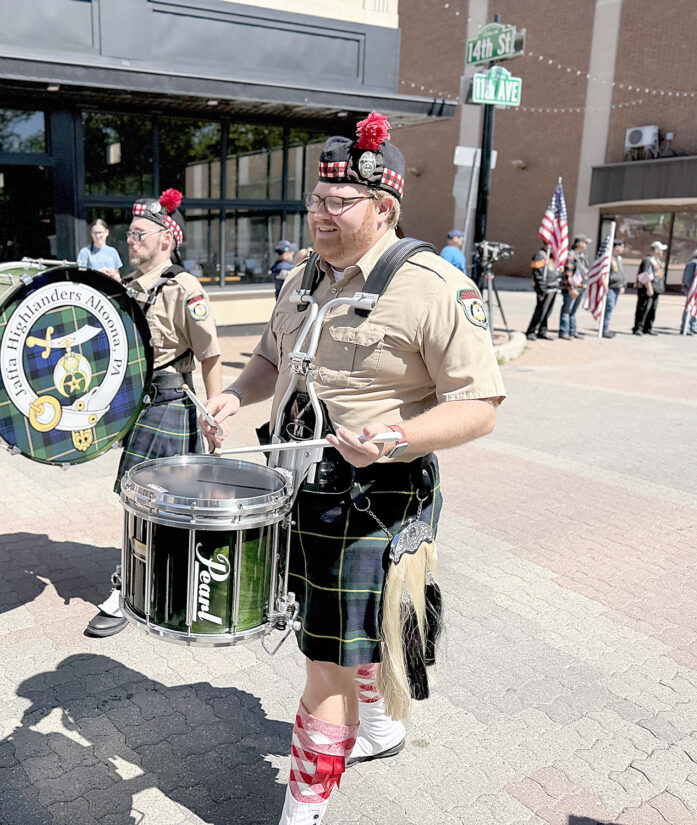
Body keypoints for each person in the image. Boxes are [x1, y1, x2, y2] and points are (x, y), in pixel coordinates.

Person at [200, 112, 505, 825]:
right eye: (315, 201)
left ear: (382, 207)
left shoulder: (431, 284)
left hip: (376, 498)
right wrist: (230, 396)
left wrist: (397, 434)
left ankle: (302, 809)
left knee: (323, 663)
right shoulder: (304, 274)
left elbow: (482, 403)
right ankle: (381, 726)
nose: (319, 215)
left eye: (336, 204)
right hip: (301, 490)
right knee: (337, 629)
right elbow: (273, 357)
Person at [84, 188, 223, 639]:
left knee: (160, 506)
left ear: (167, 238)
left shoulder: (184, 287)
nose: (131, 240)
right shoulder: (126, 287)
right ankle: (151, 584)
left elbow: (210, 354)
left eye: (140, 234)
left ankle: (133, 588)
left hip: (170, 404)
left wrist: (214, 413)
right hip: (138, 407)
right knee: (141, 501)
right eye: (129, 235)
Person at [525, 239, 560, 341]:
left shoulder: (550, 256)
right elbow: (538, 274)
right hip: (545, 289)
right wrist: (542, 289)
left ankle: (542, 331)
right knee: (540, 311)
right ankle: (531, 331)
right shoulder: (540, 256)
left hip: (553, 288)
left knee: (547, 312)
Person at [558, 234, 590, 339]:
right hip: (572, 289)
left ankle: (573, 331)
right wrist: (571, 288)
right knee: (567, 310)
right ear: (579, 243)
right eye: (585, 242)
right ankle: (564, 332)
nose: (586, 245)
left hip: (581, 288)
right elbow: (567, 273)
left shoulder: (582, 257)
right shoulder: (571, 255)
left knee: (573, 311)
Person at [633, 240, 667, 335]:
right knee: (644, 308)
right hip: (648, 289)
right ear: (656, 250)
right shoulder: (648, 261)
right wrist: (649, 288)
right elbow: (645, 275)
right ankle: (638, 327)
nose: (662, 252)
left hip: (656, 289)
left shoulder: (657, 261)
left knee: (652, 309)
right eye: (661, 250)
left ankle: (648, 327)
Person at [601, 238, 626, 337]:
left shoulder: (618, 259)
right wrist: (604, 284)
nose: (623, 248)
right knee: (609, 307)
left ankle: (606, 327)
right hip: (610, 286)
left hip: (617, 287)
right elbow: (603, 272)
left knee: (611, 308)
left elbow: (622, 273)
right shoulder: (608, 258)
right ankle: (604, 329)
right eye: (621, 246)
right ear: (616, 247)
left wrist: (623, 285)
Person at [682, 250, 697, 335]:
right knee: (690, 308)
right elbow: (688, 278)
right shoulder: (693, 263)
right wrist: (692, 288)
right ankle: (686, 327)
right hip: (692, 290)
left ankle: (693, 326)